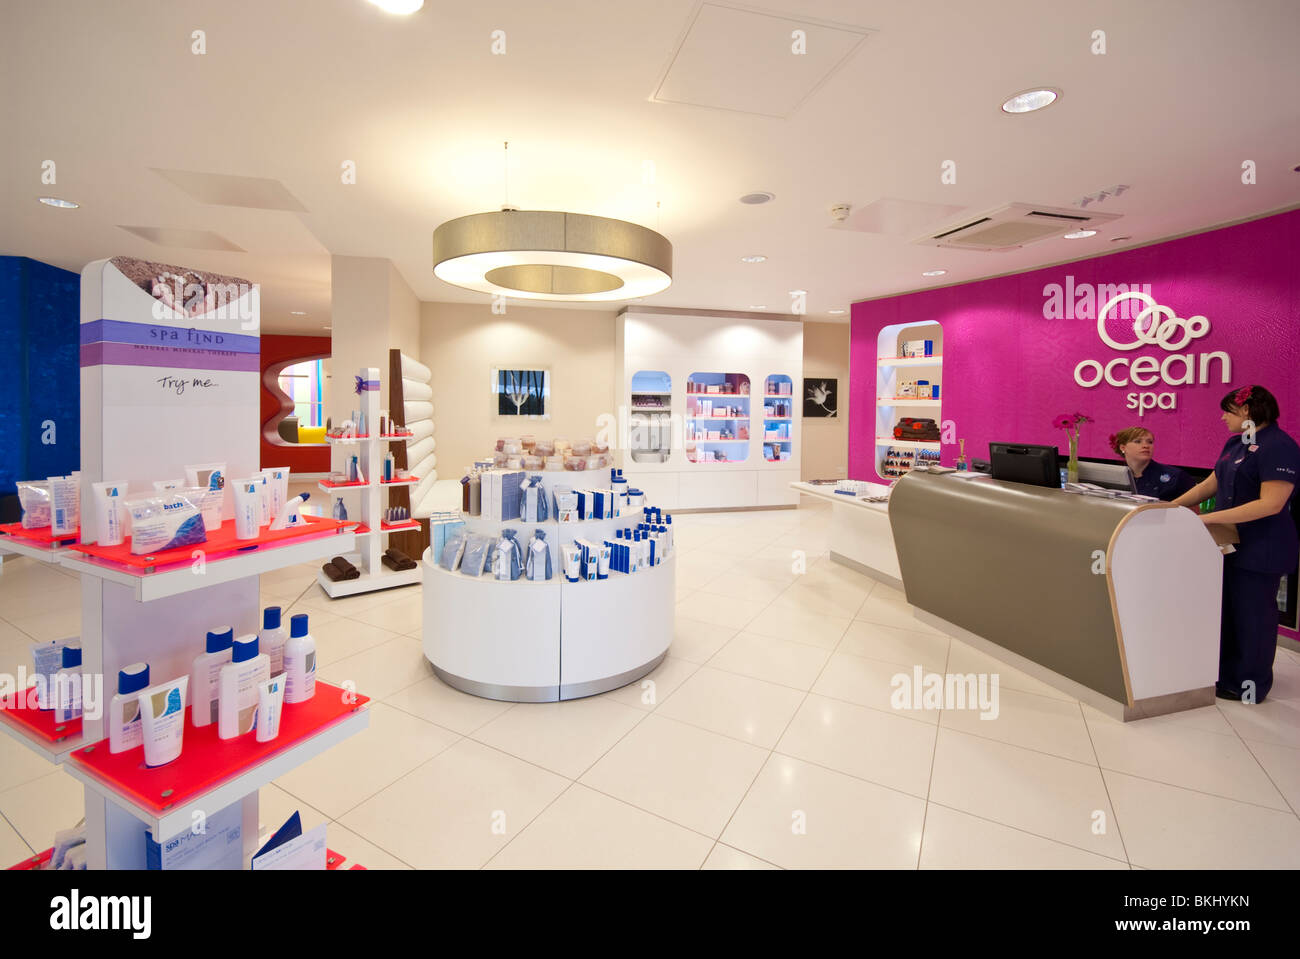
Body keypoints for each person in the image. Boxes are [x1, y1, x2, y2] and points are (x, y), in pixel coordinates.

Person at [1173, 385, 1300, 703]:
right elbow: (1209, 485)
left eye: (1227, 410)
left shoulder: (1279, 447)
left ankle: (1250, 685)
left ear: (1246, 412)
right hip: (1229, 544)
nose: (1222, 416)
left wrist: (1208, 520)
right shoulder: (1235, 443)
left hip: (1262, 547)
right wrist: (1170, 507)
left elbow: (1271, 504)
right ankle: (1225, 675)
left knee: (1253, 616)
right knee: (1228, 612)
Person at [1108, 426, 1196, 501]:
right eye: (1138, 441)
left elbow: (1193, 514)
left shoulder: (1176, 476)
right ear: (1123, 447)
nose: (1146, 446)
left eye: (1150, 442)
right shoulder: (1115, 477)